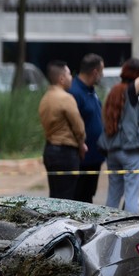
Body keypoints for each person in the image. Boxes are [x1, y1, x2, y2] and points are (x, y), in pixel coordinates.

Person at [99, 55, 139, 214]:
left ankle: (107, 224)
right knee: (132, 195)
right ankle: (131, 227)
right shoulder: (130, 90)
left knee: (113, 194)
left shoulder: (114, 91)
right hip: (130, 152)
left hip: (112, 151)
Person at [38, 60, 86, 200]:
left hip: (49, 150)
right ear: (61, 78)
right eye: (69, 74)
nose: (72, 78)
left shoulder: (45, 98)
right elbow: (79, 127)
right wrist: (82, 144)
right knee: (66, 198)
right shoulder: (66, 98)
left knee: (55, 197)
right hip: (66, 153)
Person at [70, 53, 105, 203]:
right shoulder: (74, 92)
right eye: (101, 71)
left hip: (94, 158)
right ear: (95, 72)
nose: (102, 75)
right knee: (79, 199)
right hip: (82, 159)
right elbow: (72, 124)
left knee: (88, 197)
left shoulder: (91, 90)